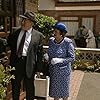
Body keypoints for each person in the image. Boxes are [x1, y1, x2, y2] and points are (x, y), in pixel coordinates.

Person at [7, 12, 44, 100]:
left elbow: (39, 54)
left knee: (29, 87)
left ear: (31, 23)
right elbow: (8, 44)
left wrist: (39, 69)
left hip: (29, 64)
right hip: (16, 63)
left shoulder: (38, 36)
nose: (22, 22)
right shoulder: (15, 31)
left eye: (25, 20)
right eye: (22, 19)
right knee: (15, 86)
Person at [47, 22, 75, 100]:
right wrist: (47, 57)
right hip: (54, 72)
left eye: (56, 31)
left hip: (63, 73)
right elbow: (50, 53)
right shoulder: (51, 41)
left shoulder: (67, 43)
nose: (54, 33)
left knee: (64, 94)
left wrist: (60, 60)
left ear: (61, 33)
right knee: (55, 93)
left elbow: (72, 58)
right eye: (54, 31)